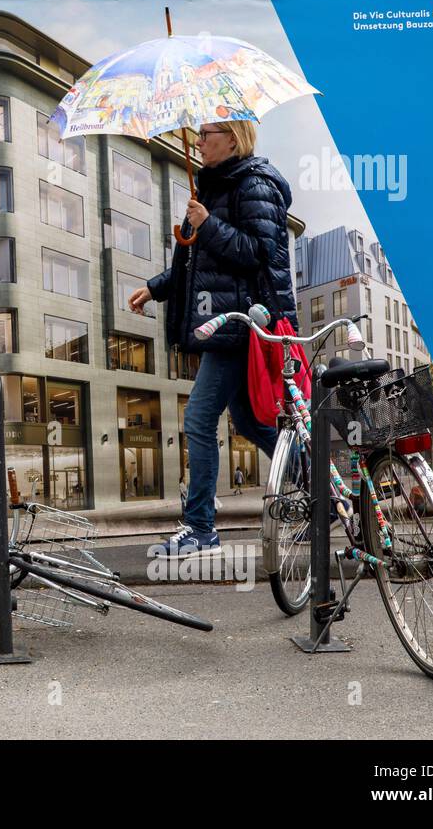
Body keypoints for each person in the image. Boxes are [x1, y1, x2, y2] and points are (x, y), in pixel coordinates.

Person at [129, 120, 296, 558]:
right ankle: (324, 492)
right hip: (226, 323)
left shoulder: (254, 184)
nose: (198, 141)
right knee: (248, 422)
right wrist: (157, 286)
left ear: (233, 137)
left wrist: (209, 225)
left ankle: (201, 528)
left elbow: (260, 253)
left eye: (207, 133)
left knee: (199, 421)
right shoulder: (213, 188)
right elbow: (199, 266)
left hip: (242, 324)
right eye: (199, 134)